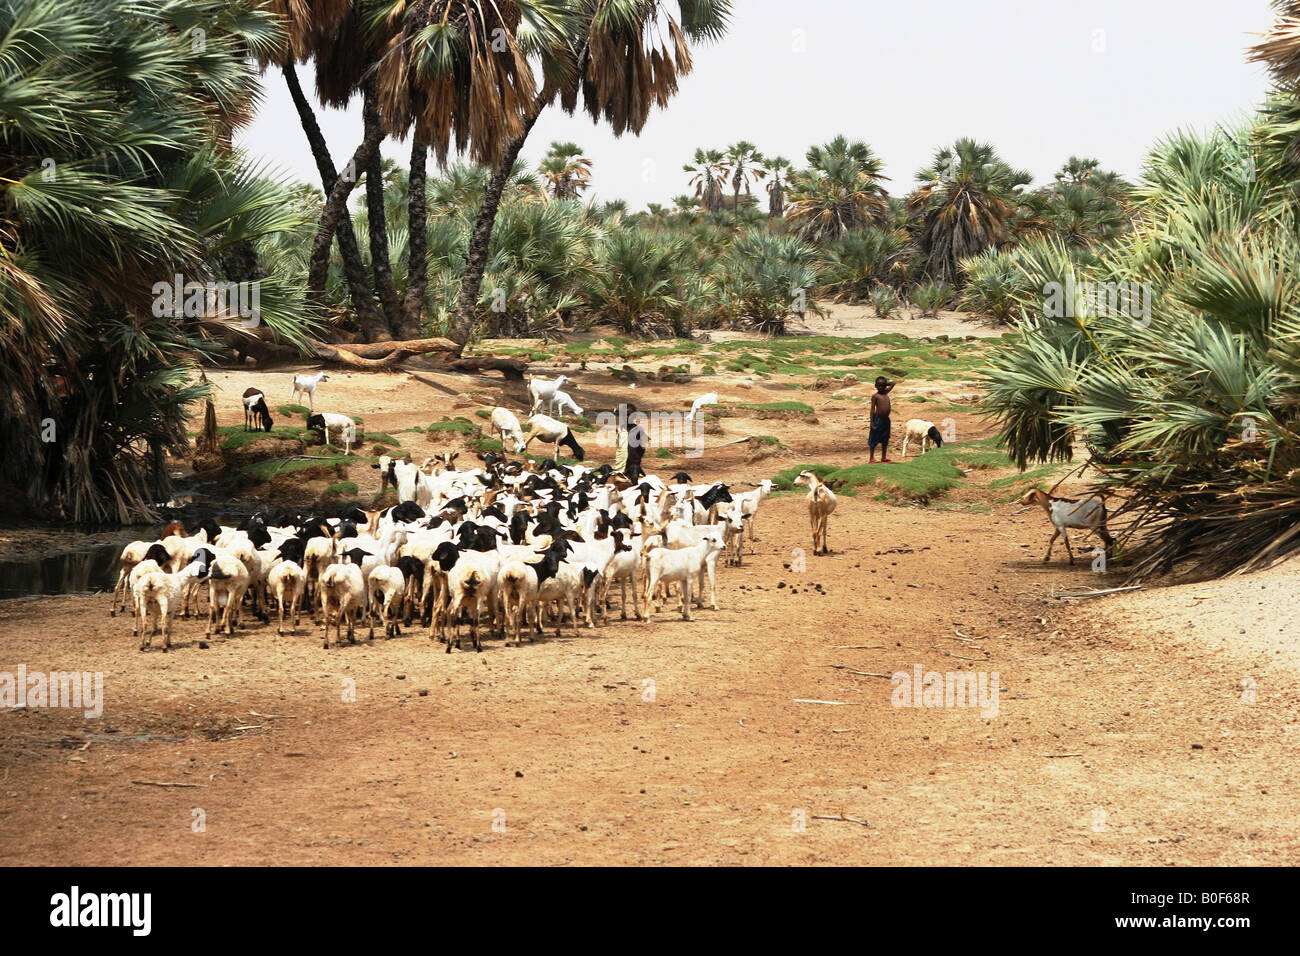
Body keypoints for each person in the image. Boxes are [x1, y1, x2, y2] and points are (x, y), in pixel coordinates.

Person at [868, 376, 896, 463]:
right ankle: (871, 458)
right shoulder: (875, 396)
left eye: (883, 386)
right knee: (874, 439)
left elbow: (894, 383)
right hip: (878, 420)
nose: (881, 388)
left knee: (885, 438)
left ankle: (883, 457)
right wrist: (872, 422)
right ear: (875, 386)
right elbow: (872, 409)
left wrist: (885, 383)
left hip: (886, 420)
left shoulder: (886, 392)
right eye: (879, 386)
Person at [625, 408, 648, 481]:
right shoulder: (620, 430)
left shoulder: (639, 430)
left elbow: (643, 446)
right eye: (625, 415)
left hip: (633, 464)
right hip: (621, 462)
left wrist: (636, 459)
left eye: (629, 415)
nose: (627, 417)